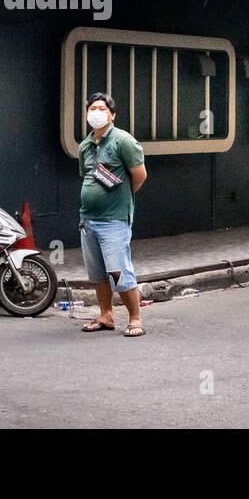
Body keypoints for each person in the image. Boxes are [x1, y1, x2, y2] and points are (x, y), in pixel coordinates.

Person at [76, 92, 148, 337]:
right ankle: (106, 315)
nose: (96, 112)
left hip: (114, 220)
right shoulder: (85, 146)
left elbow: (139, 177)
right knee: (97, 273)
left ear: (112, 114)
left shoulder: (123, 141)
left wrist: (120, 198)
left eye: (102, 108)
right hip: (88, 219)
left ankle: (135, 318)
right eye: (92, 108)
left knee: (119, 271)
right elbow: (85, 176)